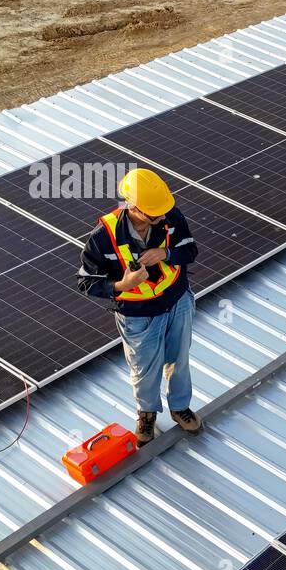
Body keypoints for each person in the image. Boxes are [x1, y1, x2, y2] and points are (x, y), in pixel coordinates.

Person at [77, 168, 203, 445]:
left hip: (177, 301)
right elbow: (86, 282)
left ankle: (180, 407)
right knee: (144, 369)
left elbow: (191, 250)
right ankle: (147, 415)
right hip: (138, 316)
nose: (160, 218)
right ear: (132, 207)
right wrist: (122, 285)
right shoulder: (103, 236)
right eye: (153, 214)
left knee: (179, 359)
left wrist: (166, 254)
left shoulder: (169, 215)